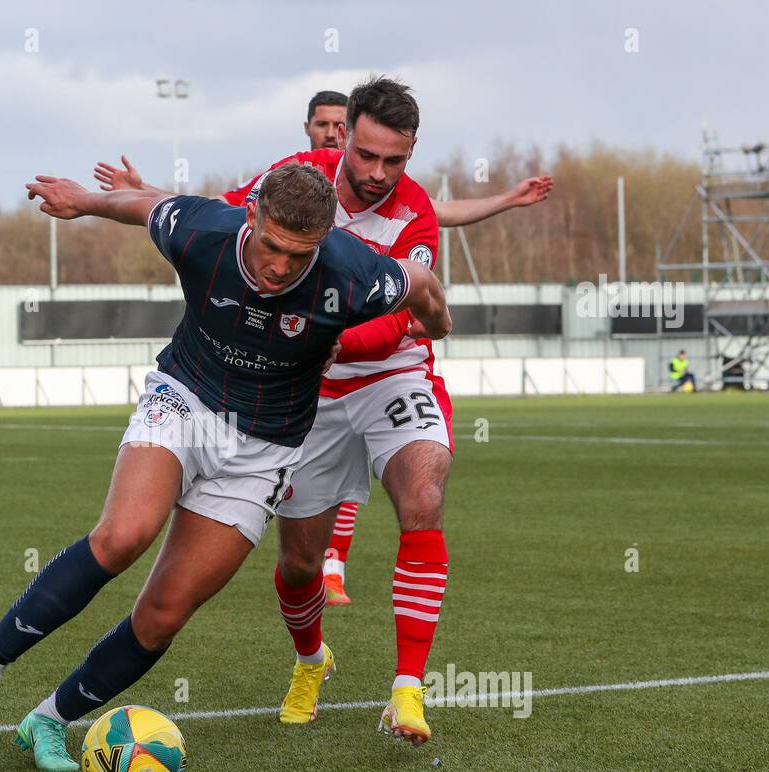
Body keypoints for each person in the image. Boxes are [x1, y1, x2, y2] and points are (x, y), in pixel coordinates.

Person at [0, 163, 451, 772]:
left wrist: (436, 325)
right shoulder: (201, 231)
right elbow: (144, 205)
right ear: (251, 216)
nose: (280, 266)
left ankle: (49, 720)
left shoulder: (355, 274)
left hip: (266, 449)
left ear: (324, 242)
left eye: (299, 256)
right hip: (184, 400)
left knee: (165, 611)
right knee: (124, 535)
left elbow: (423, 285)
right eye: (272, 246)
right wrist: (85, 201)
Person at [95, 86, 552, 610]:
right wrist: (149, 192)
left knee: (423, 498)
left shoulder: (416, 209)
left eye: (393, 160)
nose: (378, 172)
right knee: (298, 563)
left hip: (388, 375)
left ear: (410, 150)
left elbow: (405, 317)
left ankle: (407, 688)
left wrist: (329, 336)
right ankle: (311, 651)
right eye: (364, 153)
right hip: (310, 388)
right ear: (340, 136)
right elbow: (224, 213)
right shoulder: (301, 179)